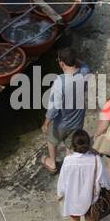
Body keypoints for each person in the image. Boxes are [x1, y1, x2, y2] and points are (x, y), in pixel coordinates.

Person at [56, 130, 110, 221]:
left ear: (73, 145)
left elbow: (62, 180)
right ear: (88, 143)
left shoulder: (68, 160)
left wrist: (60, 193)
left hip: (73, 197)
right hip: (91, 197)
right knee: (90, 218)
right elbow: (104, 181)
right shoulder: (96, 159)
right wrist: (108, 188)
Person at [41, 45, 89, 173]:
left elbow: (54, 107)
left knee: (52, 140)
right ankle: (68, 165)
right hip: (78, 118)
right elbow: (83, 65)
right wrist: (74, 60)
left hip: (61, 122)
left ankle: (52, 163)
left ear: (61, 63)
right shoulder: (85, 72)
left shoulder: (59, 82)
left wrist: (46, 123)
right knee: (71, 143)